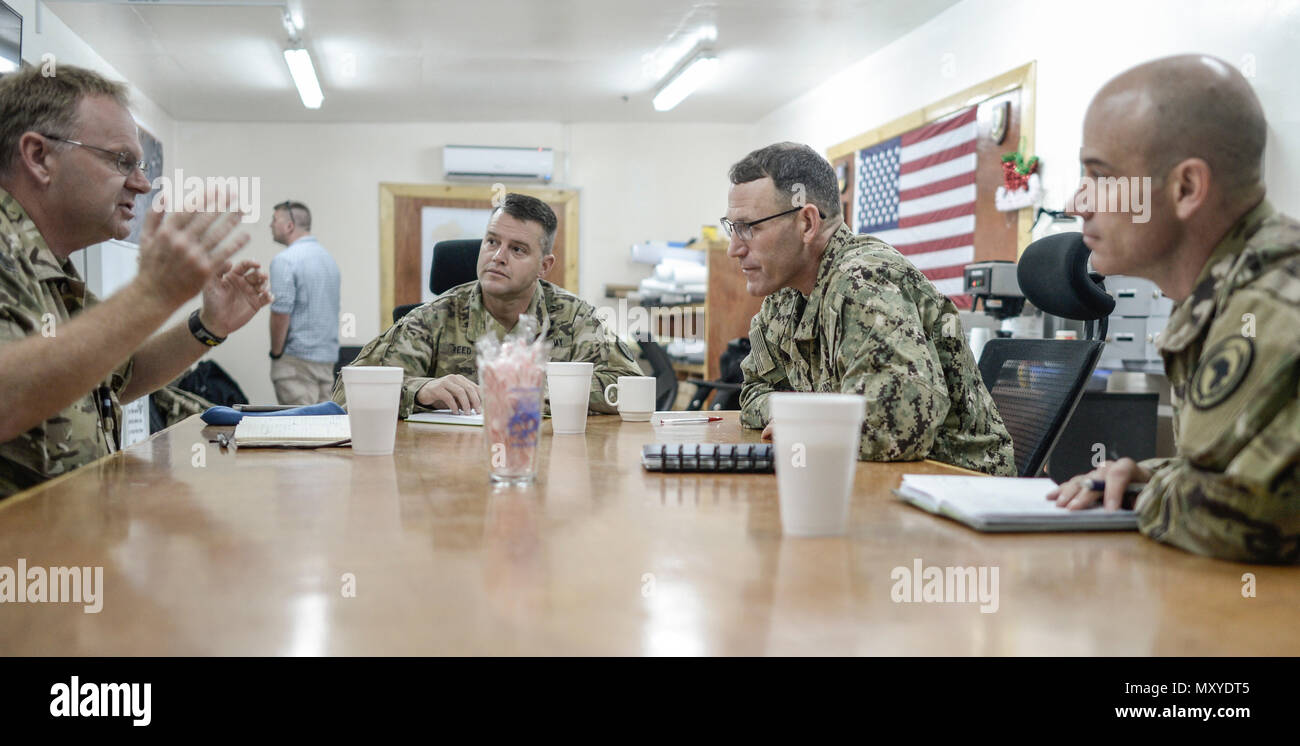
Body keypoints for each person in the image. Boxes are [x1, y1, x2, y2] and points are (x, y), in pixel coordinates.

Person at [1048, 55, 1300, 564]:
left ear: (1186, 188)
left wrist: (1149, 494)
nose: (1078, 202)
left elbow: (1247, 518)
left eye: (1099, 176)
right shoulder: (1227, 288)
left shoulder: (1273, 299)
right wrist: (1156, 475)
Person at [0, 65, 271, 498]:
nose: (142, 184)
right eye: (121, 160)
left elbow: (116, 377)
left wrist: (207, 326)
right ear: (38, 157)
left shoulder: (48, 261)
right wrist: (153, 293)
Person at [728, 142, 1014, 476]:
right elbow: (753, 393)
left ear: (807, 223)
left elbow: (897, 429)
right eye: (732, 227)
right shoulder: (784, 297)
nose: (735, 248)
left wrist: (802, 417)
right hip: (876, 480)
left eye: (750, 227)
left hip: (957, 487)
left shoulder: (863, 282)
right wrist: (804, 414)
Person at [333, 192, 641, 416]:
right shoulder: (434, 319)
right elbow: (348, 392)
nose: (498, 256)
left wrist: (529, 393)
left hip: (548, 463)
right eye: (492, 242)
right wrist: (421, 392)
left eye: (517, 249)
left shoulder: (574, 319)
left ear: (544, 267)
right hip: (445, 466)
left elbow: (633, 390)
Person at [268, 200, 341, 404]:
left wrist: (276, 353)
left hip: (295, 363)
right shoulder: (329, 260)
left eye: (274, 220)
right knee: (325, 432)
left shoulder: (285, 260)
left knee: (298, 432)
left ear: (289, 226)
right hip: (327, 362)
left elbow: (280, 312)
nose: (270, 225)